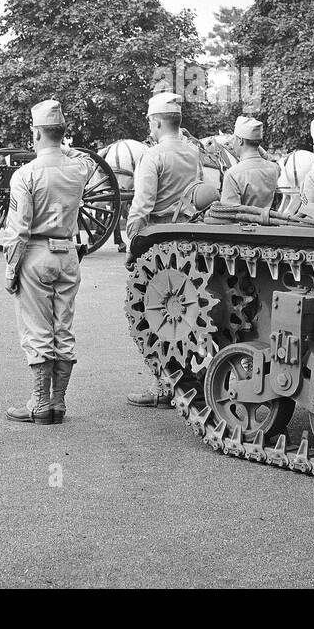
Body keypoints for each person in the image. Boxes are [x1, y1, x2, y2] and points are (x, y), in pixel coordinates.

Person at [1, 100, 88, 425]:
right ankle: (58, 403)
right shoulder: (77, 170)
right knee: (63, 328)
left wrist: (11, 270)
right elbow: (80, 157)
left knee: (37, 330)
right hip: (68, 254)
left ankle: (38, 404)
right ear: (63, 133)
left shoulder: (26, 174)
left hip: (36, 255)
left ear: (36, 133)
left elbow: (18, 230)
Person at [126, 90, 203, 409]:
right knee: (183, 314)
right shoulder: (193, 154)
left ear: (156, 122)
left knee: (153, 315)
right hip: (187, 240)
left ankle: (164, 385)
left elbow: (142, 205)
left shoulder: (153, 155)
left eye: (150, 122)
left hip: (157, 244)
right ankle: (184, 378)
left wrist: (131, 243)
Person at [220, 115, 281, 208]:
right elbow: (271, 160)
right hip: (268, 221)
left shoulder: (232, 174)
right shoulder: (274, 168)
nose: (232, 143)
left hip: (243, 222)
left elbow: (228, 214)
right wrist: (255, 143)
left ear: (240, 140)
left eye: (234, 139)